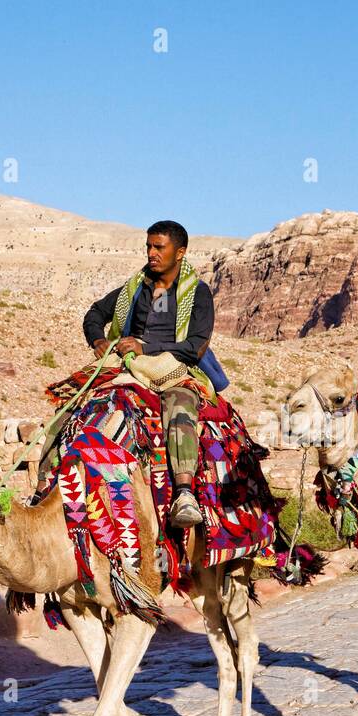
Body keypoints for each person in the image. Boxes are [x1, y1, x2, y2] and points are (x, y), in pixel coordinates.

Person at [83, 220, 214, 528]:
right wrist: (98, 339)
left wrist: (147, 347)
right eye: (148, 246)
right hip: (127, 362)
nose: (151, 253)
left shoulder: (198, 293)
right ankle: (46, 485)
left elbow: (196, 346)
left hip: (174, 366)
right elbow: (95, 313)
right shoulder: (134, 288)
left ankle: (184, 493)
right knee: (78, 401)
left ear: (179, 252)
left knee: (180, 403)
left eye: (159, 247)